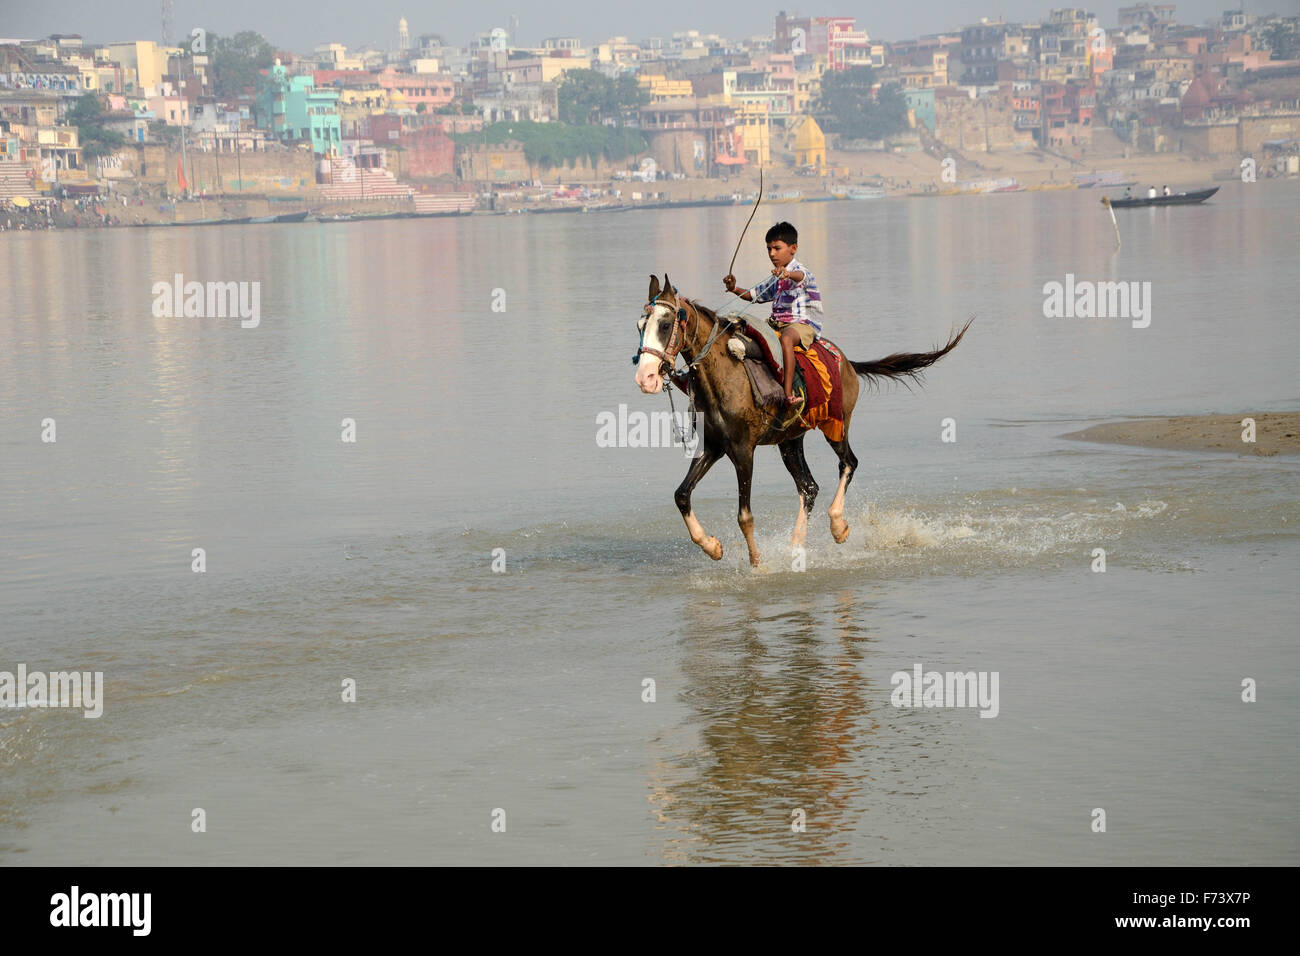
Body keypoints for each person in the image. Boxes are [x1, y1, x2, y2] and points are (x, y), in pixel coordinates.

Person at [723, 221, 824, 407]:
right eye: (769, 248)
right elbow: (754, 295)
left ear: (793, 248)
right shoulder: (775, 277)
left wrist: (787, 274)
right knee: (740, 329)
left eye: (777, 248)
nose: (772, 253)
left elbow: (800, 277)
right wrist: (734, 288)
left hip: (802, 325)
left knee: (786, 339)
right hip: (776, 323)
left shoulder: (800, 271)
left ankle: (788, 394)